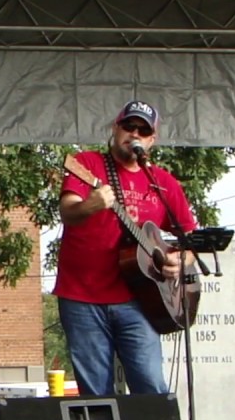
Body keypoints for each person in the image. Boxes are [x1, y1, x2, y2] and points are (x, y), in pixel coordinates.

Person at [54, 100, 198, 396]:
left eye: (143, 130)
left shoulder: (164, 183)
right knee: (96, 395)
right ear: (115, 128)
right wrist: (90, 206)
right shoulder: (88, 164)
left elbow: (189, 239)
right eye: (128, 126)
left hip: (140, 300)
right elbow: (68, 211)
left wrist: (180, 261)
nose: (134, 134)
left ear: (152, 140)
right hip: (82, 297)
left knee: (151, 386)